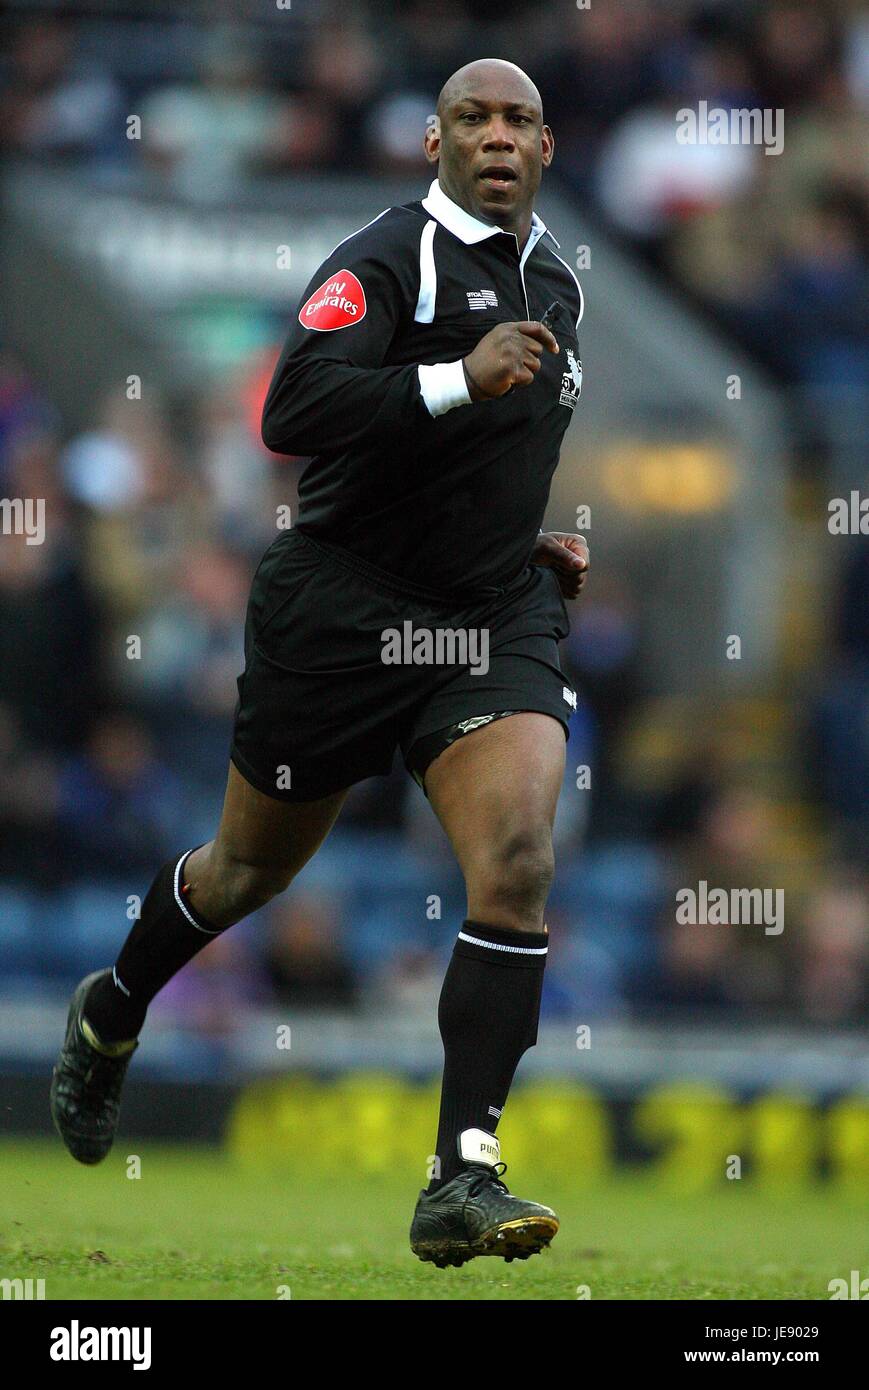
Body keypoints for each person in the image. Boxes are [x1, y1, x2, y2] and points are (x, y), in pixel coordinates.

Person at [51, 58, 589, 1270]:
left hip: (484, 620)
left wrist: (519, 535)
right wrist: (455, 376)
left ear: (545, 147)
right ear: (433, 143)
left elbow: (500, 435)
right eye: (470, 118)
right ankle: (115, 1009)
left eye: (516, 121)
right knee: (246, 871)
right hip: (339, 615)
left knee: (515, 858)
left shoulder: (555, 277)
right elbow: (290, 408)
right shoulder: (384, 259)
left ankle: (463, 1172)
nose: (494, 138)